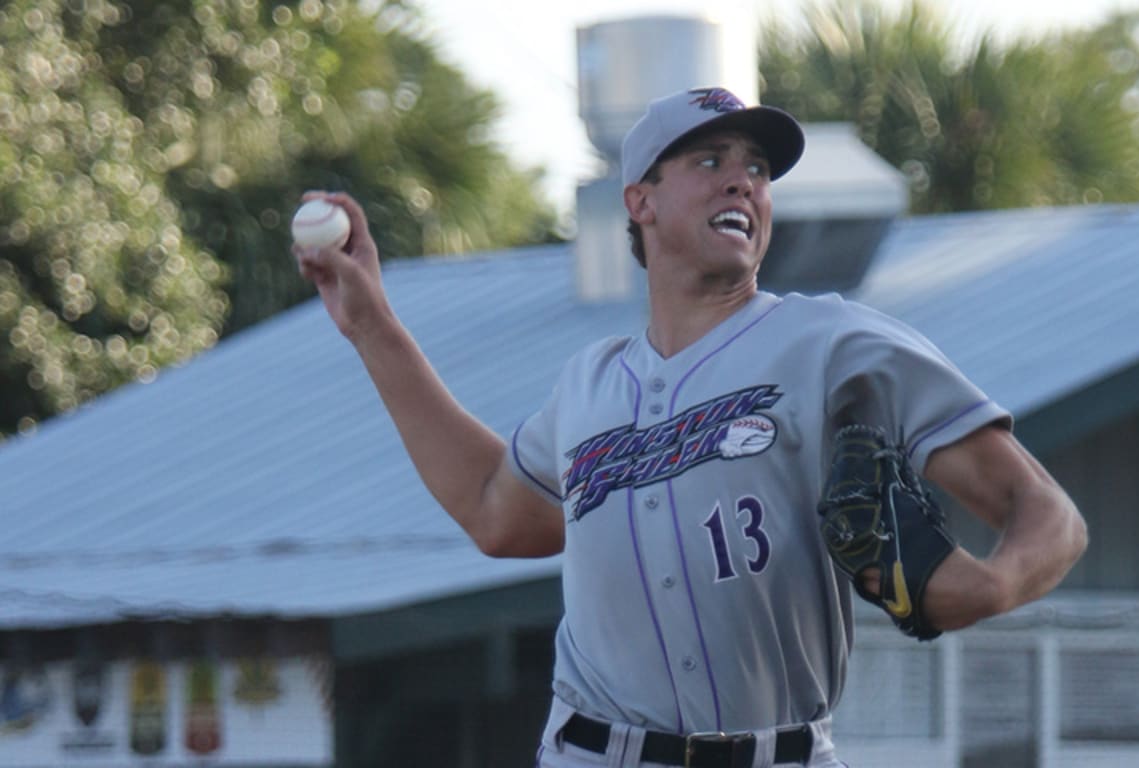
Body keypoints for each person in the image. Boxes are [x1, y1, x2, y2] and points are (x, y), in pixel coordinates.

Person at [295, 86, 1087, 768]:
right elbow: (492, 510)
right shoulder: (589, 386)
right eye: (711, 162)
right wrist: (370, 322)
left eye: (757, 168)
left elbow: (1048, 515)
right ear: (640, 200)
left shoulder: (831, 344)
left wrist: (991, 586)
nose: (742, 180)